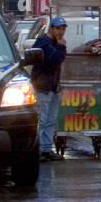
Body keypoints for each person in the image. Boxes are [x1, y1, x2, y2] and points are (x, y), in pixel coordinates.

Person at [30, 16, 68, 160]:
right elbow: (54, 60)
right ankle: (39, 149)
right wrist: (61, 46)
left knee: (51, 119)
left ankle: (46, 149)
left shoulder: (56, 43)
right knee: (43, 119)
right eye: (58, 28)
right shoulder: (43, 42)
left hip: (53, 86)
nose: (61, 31)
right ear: (51, 28)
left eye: (63, 28)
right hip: (42, 86)